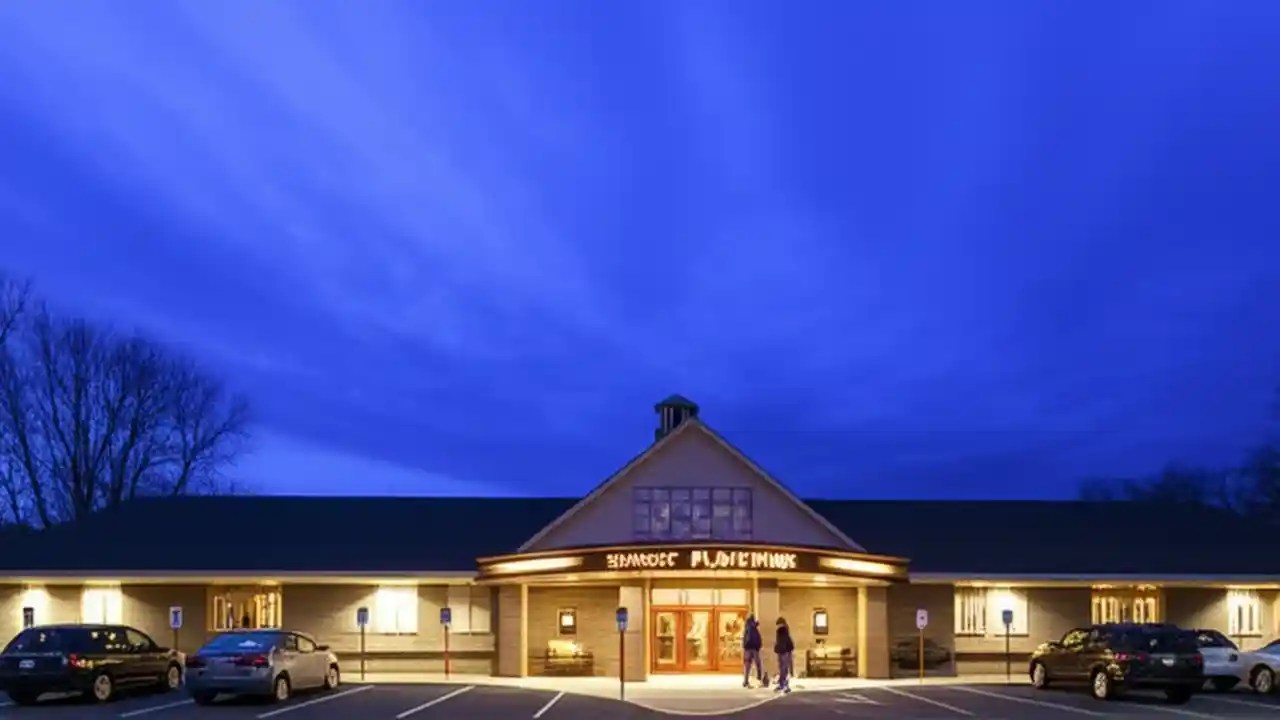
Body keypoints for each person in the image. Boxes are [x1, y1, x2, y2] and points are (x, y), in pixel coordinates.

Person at [742, 614, 763, 687]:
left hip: (747, 649)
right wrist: (759, 646)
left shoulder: (746, 627)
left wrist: (744, 647)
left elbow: (744, 638)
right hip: (754, 649)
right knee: (758, 664)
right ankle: (759, 679)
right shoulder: (754, 628)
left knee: (747, 665)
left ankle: (746, 680)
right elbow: (758, 639)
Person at [774, 616, 795, 693]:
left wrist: (778, 649)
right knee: (784, 668)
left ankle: (783, 684)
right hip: (785, 651)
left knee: (783, 668)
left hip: (783, 651)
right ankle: (784, 684)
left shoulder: (781, 631)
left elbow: (781, 642)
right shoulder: (786, 630)